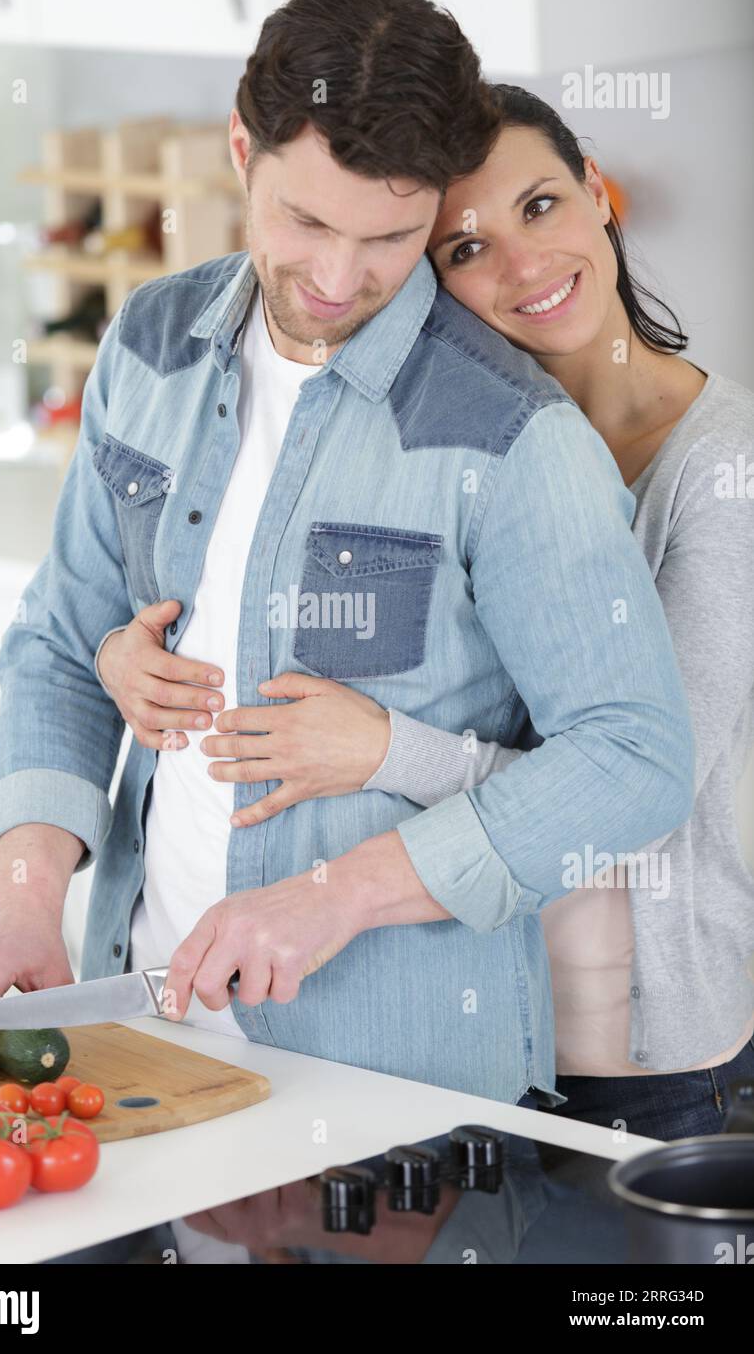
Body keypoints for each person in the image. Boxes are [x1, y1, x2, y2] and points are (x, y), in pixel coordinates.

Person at [0, 0, 693, 1110]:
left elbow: (632, 760)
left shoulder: (512, 437)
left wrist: (338, 894)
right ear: (242, 147)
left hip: (392, 1084)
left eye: (388, 236)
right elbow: (57, 637)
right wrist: (27, 896)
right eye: (306, 223)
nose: (336, 280)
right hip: (141, 1042)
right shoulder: (150, 342)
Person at [101, 80, 754, 1141]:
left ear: (596, 192)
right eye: (463, 248)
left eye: (540, 206)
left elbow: (646, 792)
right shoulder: (449, 445)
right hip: (466, 1020)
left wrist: (382, 751)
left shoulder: (722, 467)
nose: (522, 265)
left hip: (627, 1051)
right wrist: (120, 652)